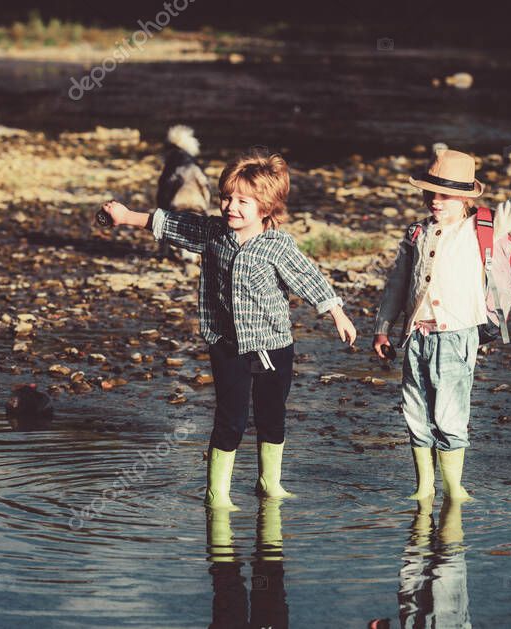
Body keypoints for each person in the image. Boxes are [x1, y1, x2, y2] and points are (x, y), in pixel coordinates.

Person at [100, 151, 357, 510]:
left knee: (272, 417)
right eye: (226, 197)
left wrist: (337, 313)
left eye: (242, 201)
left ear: (266, 207)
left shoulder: (277, 246)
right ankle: (217, 493)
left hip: (273, 345)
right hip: (227, 344)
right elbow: (173, 225)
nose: (230, 207)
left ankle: (270, 483)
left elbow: (308, 277)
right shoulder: (212, 234)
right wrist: (126, 217)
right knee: (231, 418)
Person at [372, 129, 511, 501]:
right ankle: (423, 488)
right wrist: (382, 329)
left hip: (457, 335)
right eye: (430, 193)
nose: (435, 201)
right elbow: (396, 285)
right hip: (415, 337)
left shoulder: (481, 227)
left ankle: (455, 489)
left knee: (450, 413)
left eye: (444, 195)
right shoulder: (417, 233)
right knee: (415, 409)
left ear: (465, 199)